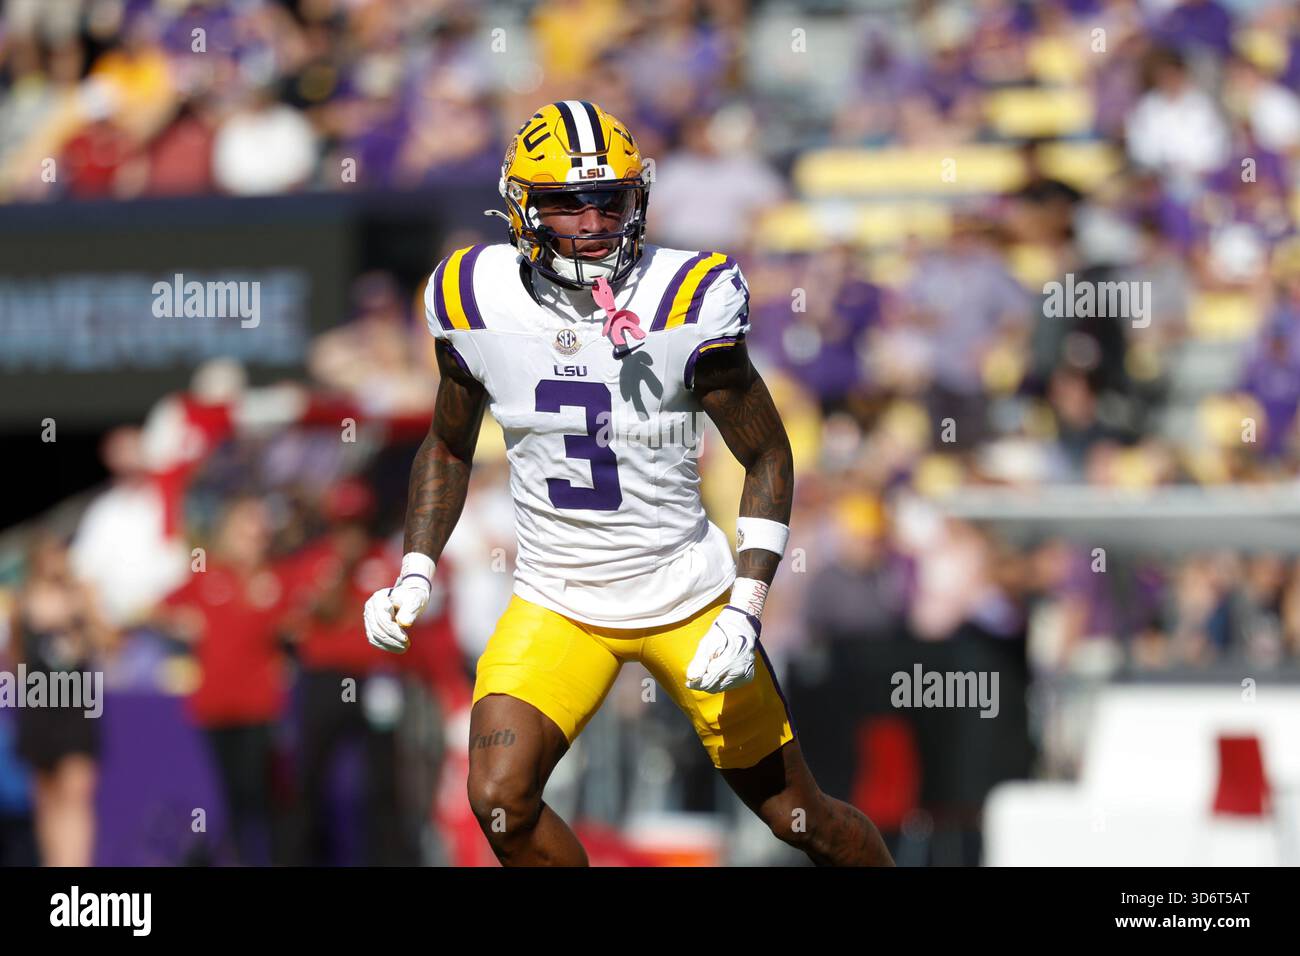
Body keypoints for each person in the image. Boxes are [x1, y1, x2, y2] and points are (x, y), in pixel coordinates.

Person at [362, 101, 893, 866]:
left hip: (688, 597)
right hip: (558, 596)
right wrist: (415, 568)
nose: (592, 220)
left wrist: (745, 609)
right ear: (522, 208)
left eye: (608, 198)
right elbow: (448, 445)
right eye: (567, 202)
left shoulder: (685, 297)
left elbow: (768, 455)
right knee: (501, 801)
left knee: (798, 816)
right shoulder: (473, 297)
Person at [12, 532, 114, 866]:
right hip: (40, 709)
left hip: (75, 709)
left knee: (76, 793)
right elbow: (16, 660)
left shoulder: (82, 596)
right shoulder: (22, 601)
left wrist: (82, 616)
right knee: (46, 797)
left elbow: (108, 644)